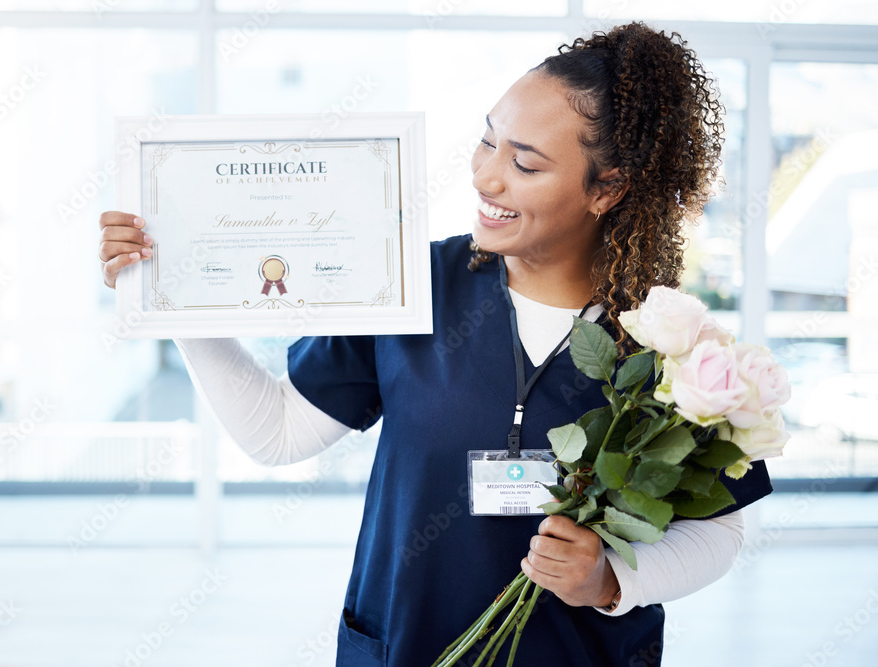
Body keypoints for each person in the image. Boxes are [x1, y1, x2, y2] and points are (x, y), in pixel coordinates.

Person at [98, 22, 772, 666]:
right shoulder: (409, 282)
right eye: (488, 141)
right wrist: (173, 301)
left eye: (525, 163)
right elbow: (276, 433)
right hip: (406, 646)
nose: (486, 177)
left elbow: (718, 528)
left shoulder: (666, 339)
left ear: (608, 188)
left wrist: (609, 577)